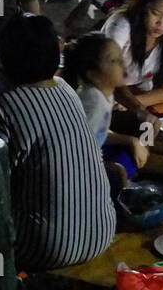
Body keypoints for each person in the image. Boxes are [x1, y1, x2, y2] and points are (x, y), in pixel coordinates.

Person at [0, 12, 116, 271]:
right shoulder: (66, 89)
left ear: (2, 60)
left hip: (46, 248)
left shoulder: (7, 105)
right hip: (103, 233)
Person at [62, 30, 148, 189]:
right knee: (123, 170)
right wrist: (111, 168)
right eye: (113, 61)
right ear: (93, 74)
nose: (122, 63)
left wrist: (131, 140)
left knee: (132, 154)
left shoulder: (105, 94)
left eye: (121, 58)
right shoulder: (93, 101)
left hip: (93, 156)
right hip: (74, 171)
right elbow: (74, 151)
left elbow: (97, 133)